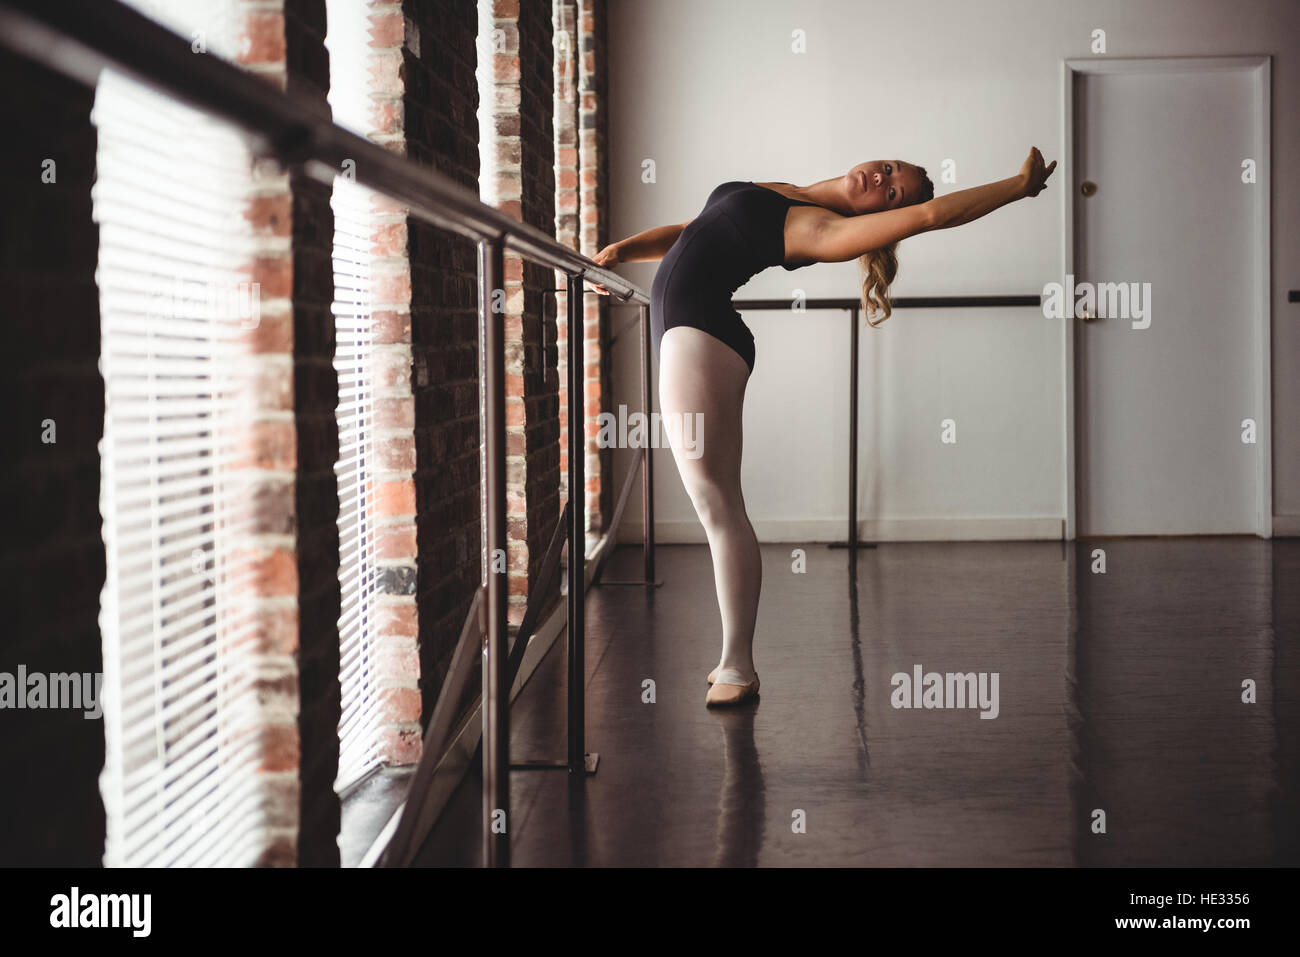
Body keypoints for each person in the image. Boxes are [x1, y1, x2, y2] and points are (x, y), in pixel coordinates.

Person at [590, 148, 1057, 706]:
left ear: (877, 217)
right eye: (889, 169)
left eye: (890, 195)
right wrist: (622, 251)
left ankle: (738, 665)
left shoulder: (819, 228)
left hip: (702, 337)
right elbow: (696, 229)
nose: (878, 179)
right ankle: (734, 663)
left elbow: (933, 216)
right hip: (689, 333)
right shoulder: (790, 192)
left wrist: (1018, 185)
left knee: (716, 502)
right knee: (714, 500)